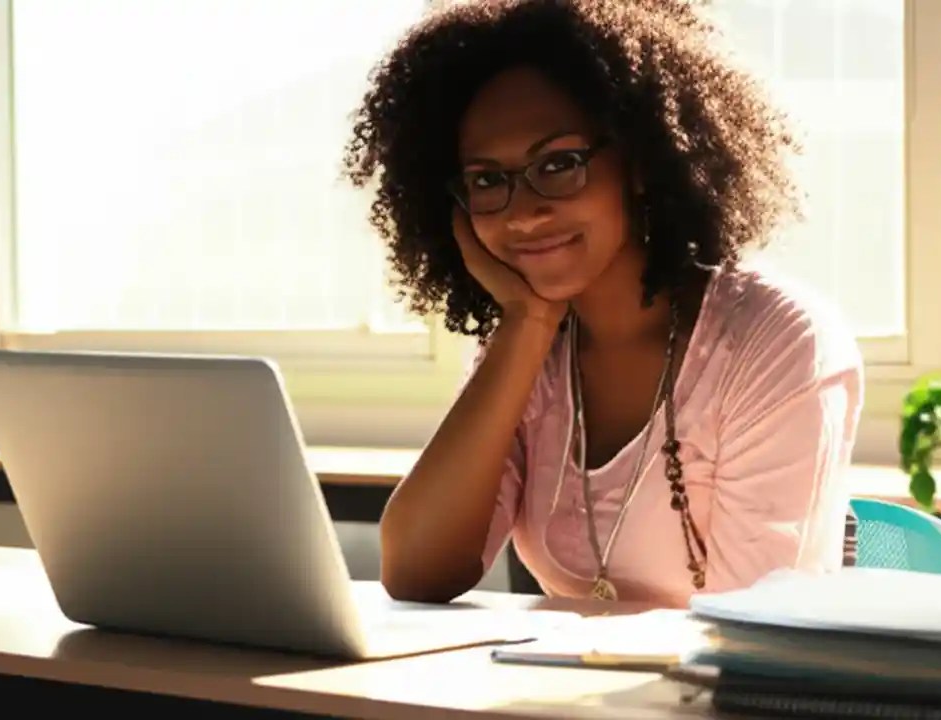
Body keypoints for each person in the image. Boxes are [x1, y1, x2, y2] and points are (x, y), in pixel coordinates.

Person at [342, 0, 864, 607]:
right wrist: (527, 324)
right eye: (487, 180)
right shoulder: (525, 348)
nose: (524, 210)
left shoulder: (776, 341)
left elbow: (755, 623)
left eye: (559, 164)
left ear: (639, 161)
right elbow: (416, 572)